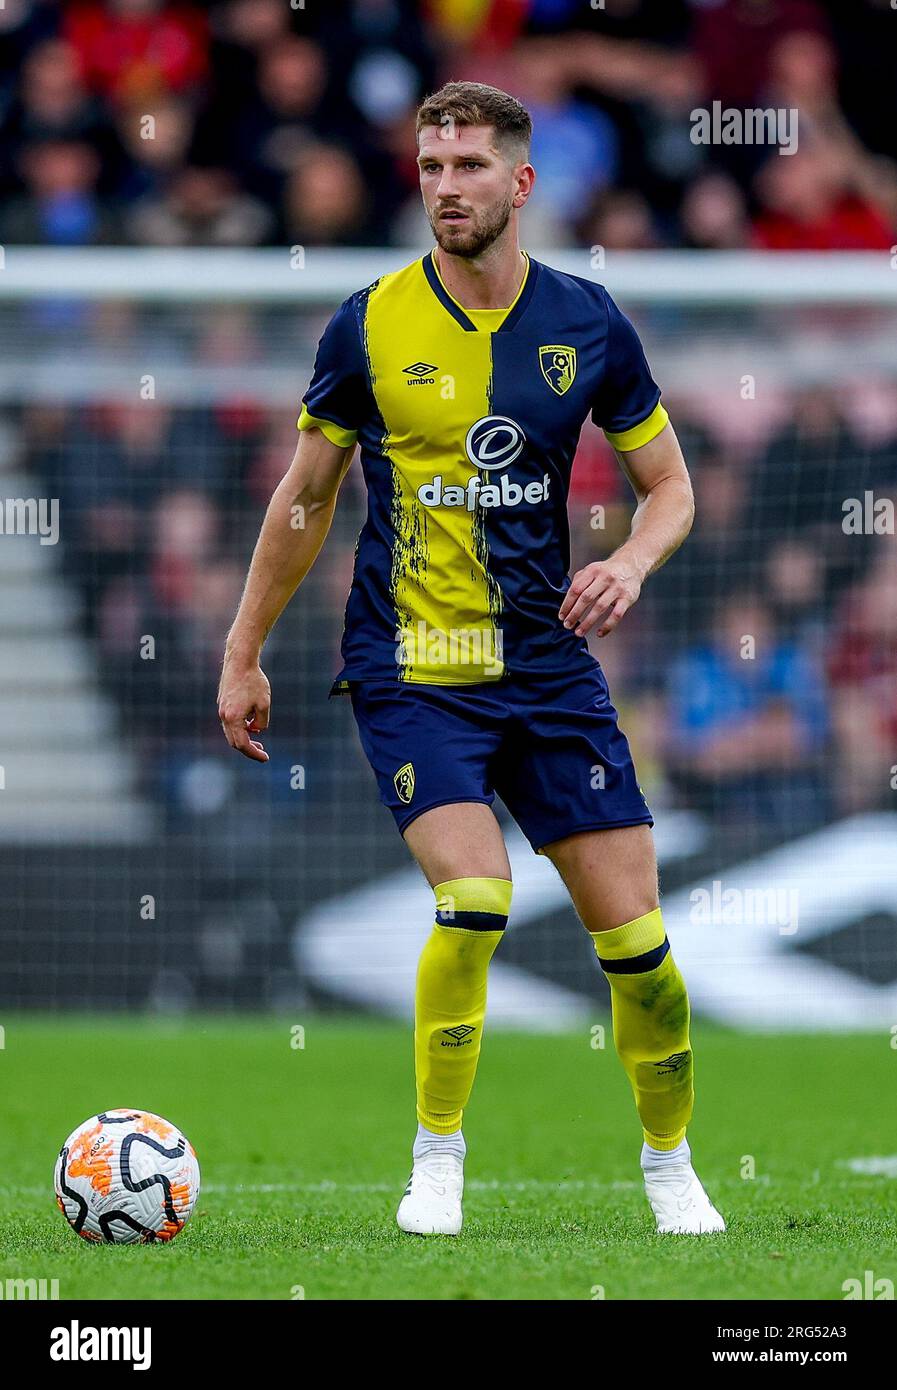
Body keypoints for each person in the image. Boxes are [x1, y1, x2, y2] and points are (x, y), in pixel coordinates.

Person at [217, 81, 724, 1238]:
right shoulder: (367, 321)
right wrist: (242, 650)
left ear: (521, 182)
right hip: (410, 664)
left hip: (547, 670)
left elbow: (672, 488)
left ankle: (669, 1166)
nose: (445, 187)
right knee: (476, 896)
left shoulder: (589, 323)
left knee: (640, 951)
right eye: (431, 165)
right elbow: (304, 500)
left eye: (468, 167)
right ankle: (436, 1158)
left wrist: (633, 565)